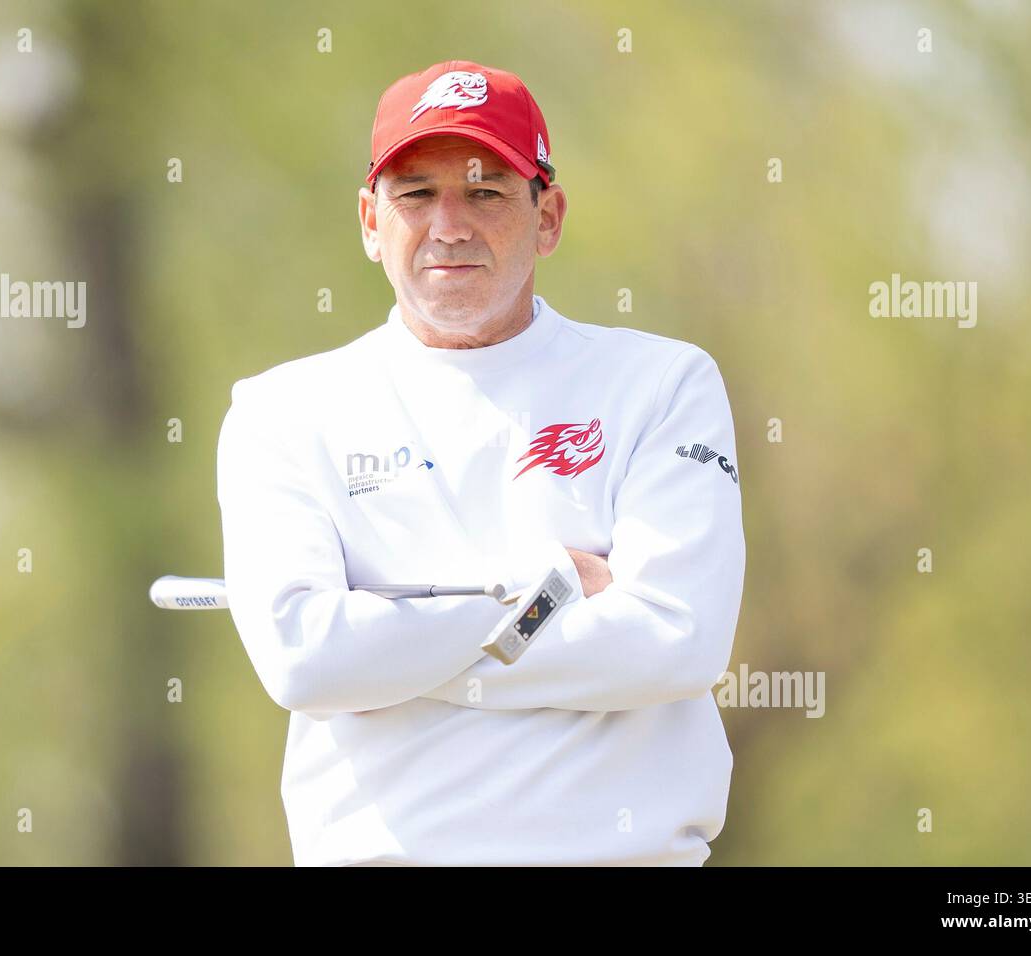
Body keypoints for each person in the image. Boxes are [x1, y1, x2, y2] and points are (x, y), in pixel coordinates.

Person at [216, 59, 746, 866]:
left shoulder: (662, 383)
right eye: (417, 194)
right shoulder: (282, 411)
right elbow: (305, 659)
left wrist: (389, 637)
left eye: (486, 191)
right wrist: (548, 585)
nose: (450, 225)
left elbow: (676, 640)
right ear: (369, 219)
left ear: (549, 216)